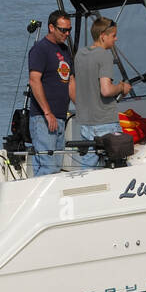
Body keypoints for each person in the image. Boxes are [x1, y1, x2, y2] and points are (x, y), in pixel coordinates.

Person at [73, 17, 132, 168]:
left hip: (86, 123)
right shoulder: (105, 55)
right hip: (105, 122)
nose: (116, 39)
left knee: (89, 167)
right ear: (103, 36)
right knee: (116, 165)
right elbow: (106, 90)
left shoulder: (80, 54)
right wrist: (121, 87)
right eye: (113, 35)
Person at [28, 10, 76, 176]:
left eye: (69, 30)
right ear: (51, 27)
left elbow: (70, 81)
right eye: (63, 30)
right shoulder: (40, 49)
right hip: (43, 118)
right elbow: (34, 80)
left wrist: (82, 107)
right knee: (47, 166)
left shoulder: (65, 50)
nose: (67, 33)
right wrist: (47, 113)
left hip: (60, 116)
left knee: (56, 165)